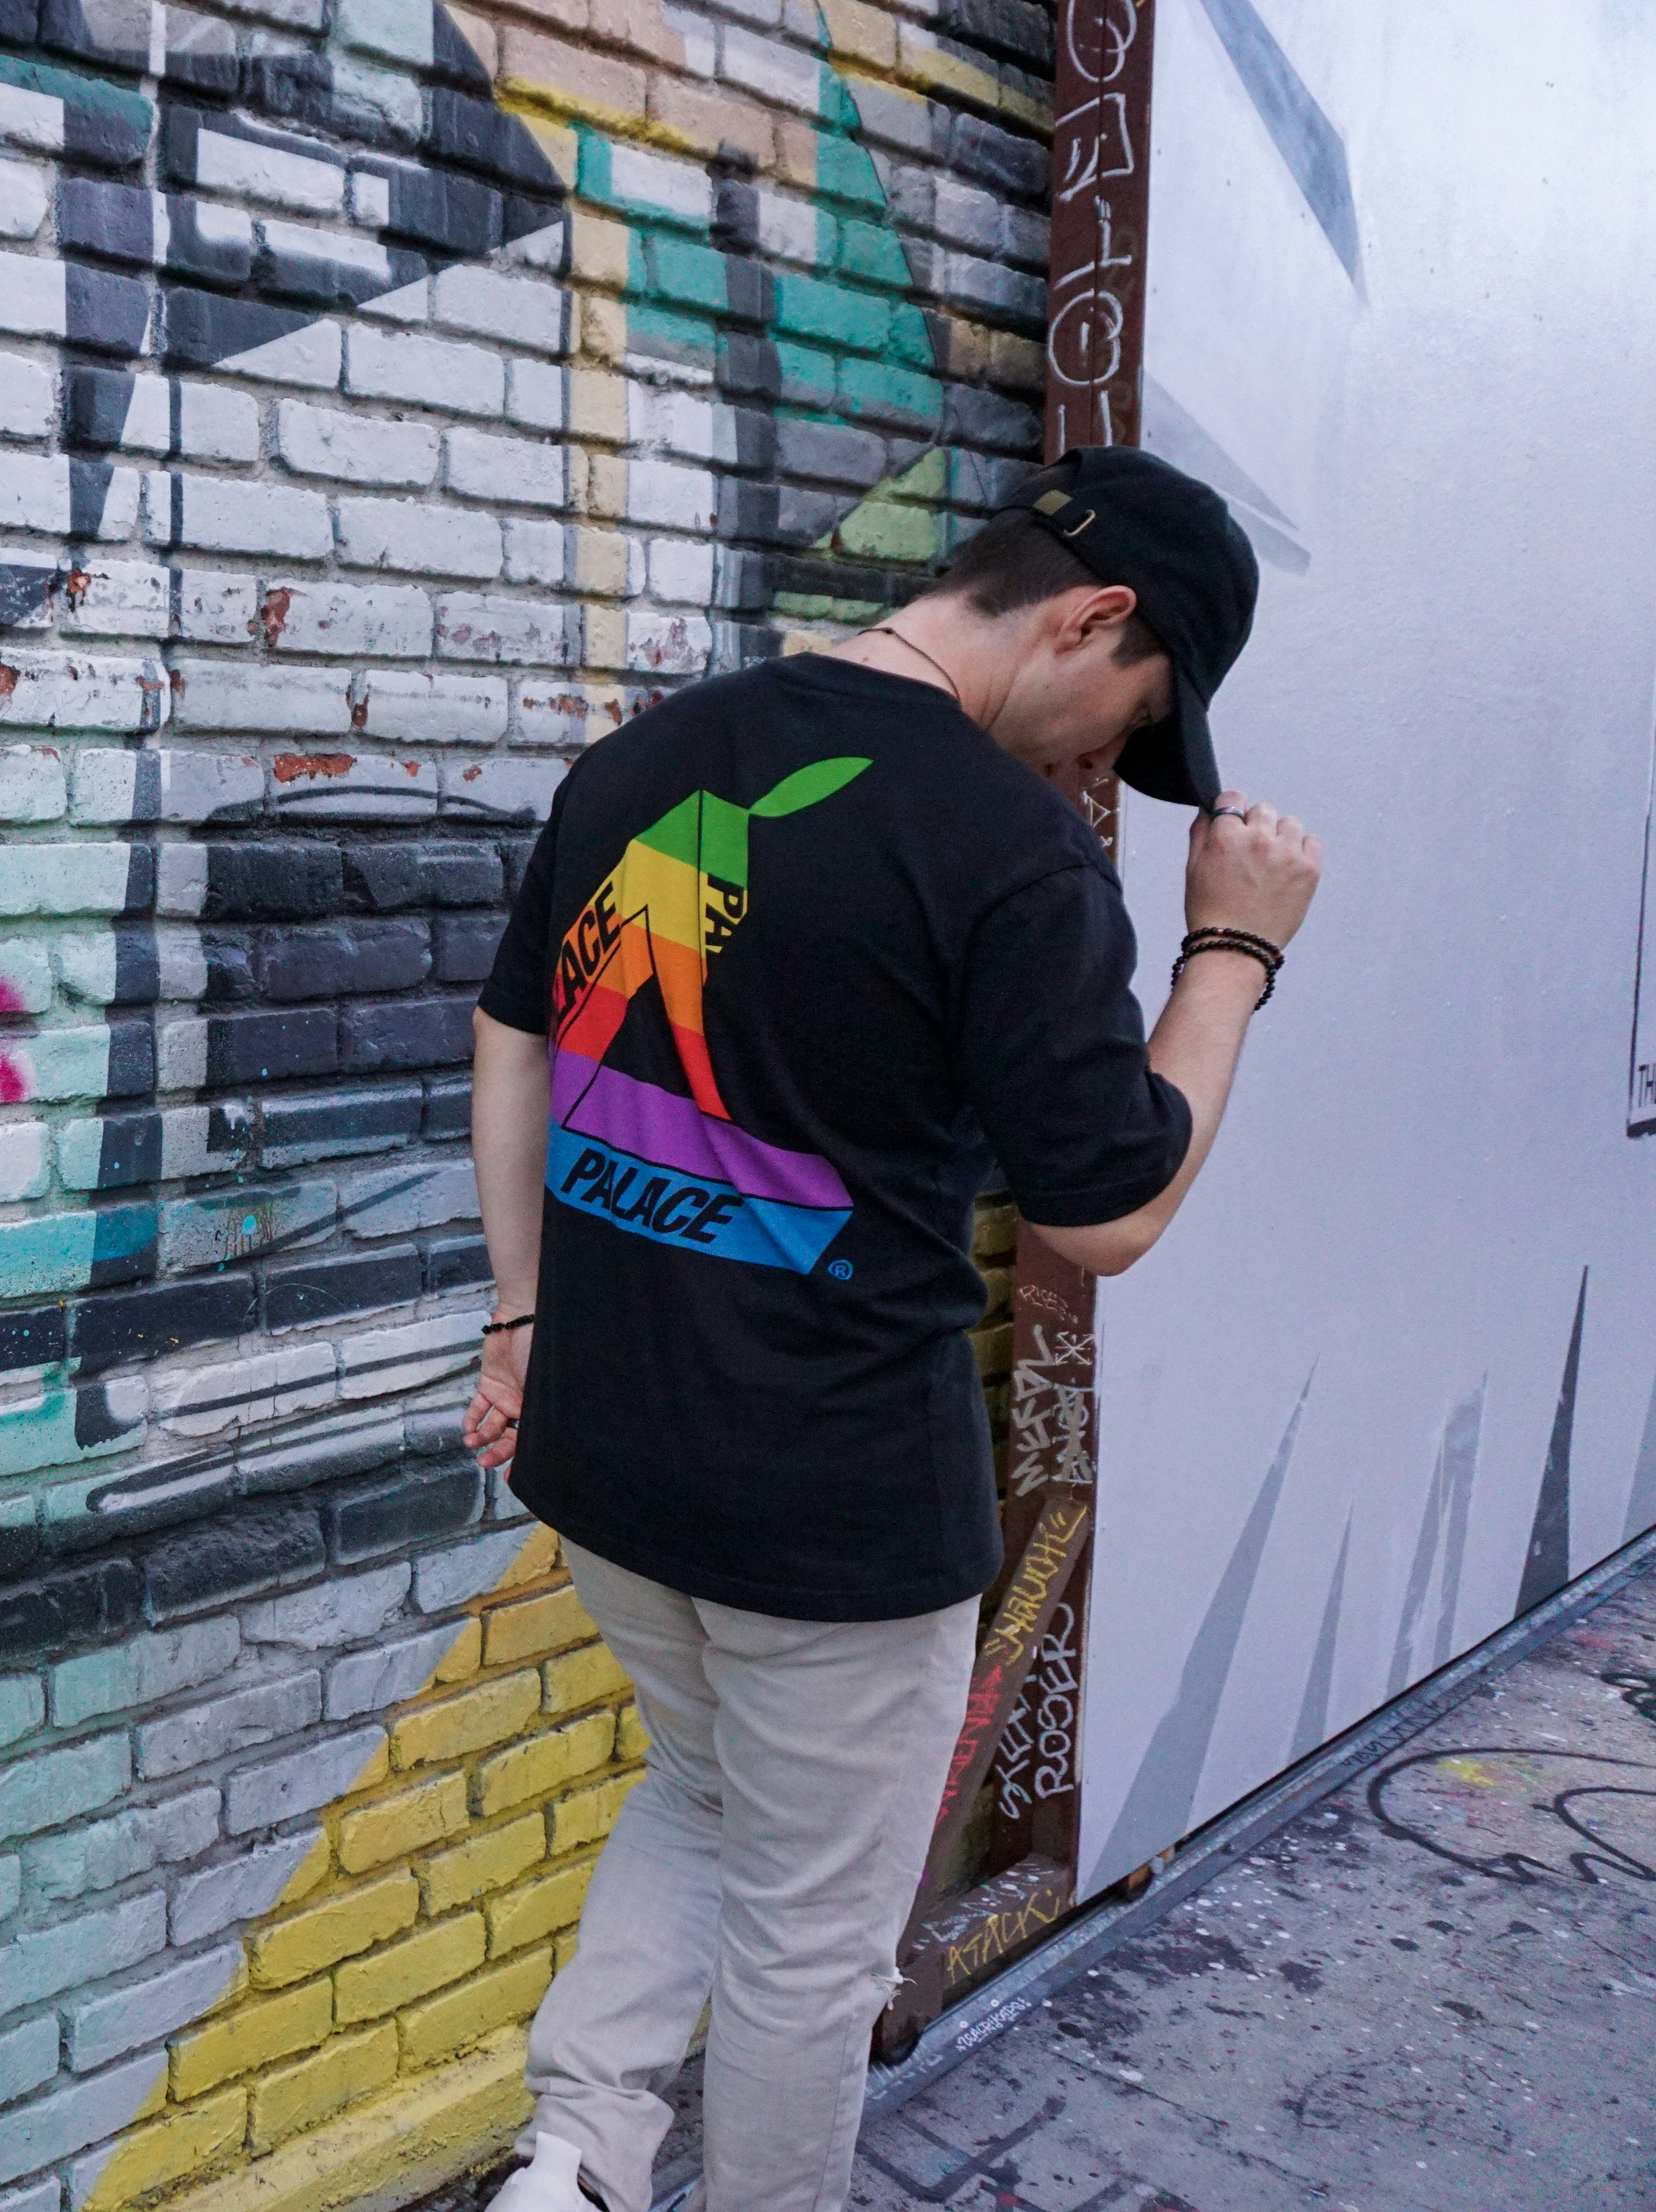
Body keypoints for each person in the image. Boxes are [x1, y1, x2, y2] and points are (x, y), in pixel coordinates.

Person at [460, 446, 1323, 2212]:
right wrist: (1231, 957)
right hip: (835, 1513)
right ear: (1093, 617)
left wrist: (524, 1309)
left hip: (608, 1450)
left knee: (704, 1790)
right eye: (1130, 722)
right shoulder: (1011, 857)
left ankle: (581, 2161)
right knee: (813, 1944)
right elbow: (1112, 1208)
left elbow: (513, 1039)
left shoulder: (649, 753)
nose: (1105, 766)